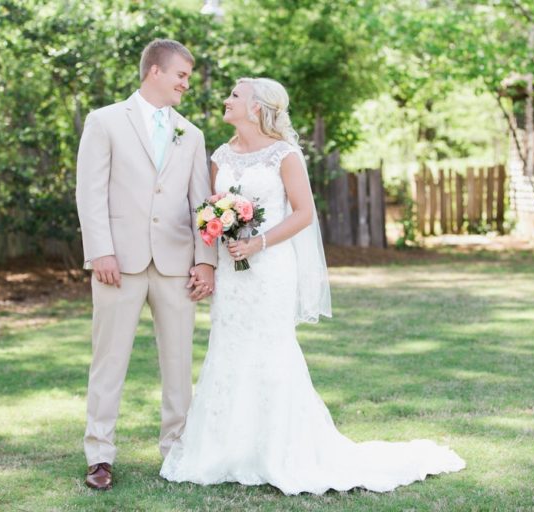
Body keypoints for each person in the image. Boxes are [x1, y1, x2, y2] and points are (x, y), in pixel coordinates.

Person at [159, 77, 465, 494]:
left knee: (270, 348)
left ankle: (281, 450)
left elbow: (303, 213)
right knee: (228, 346)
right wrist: (217, 248)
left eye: (235, 95)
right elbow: (208, 211)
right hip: (233, 272)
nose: (226, 100)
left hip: (270, 268)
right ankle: (224, 449)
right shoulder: (220, 155)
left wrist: (258, 241)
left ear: (257, 108)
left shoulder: (285, 155)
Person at [75, 39, 217, 491]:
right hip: (118, 262)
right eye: (181, 76)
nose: (185, 85)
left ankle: (175, 450)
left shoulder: (190, 134)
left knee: (178, 364)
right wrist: (101, 250)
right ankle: (100, 454)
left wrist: (206, 261)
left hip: (176, 264)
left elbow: (202, 203)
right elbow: (90, 191)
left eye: (188, 78)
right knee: (109, 359)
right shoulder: (105, 121)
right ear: (155, 70)